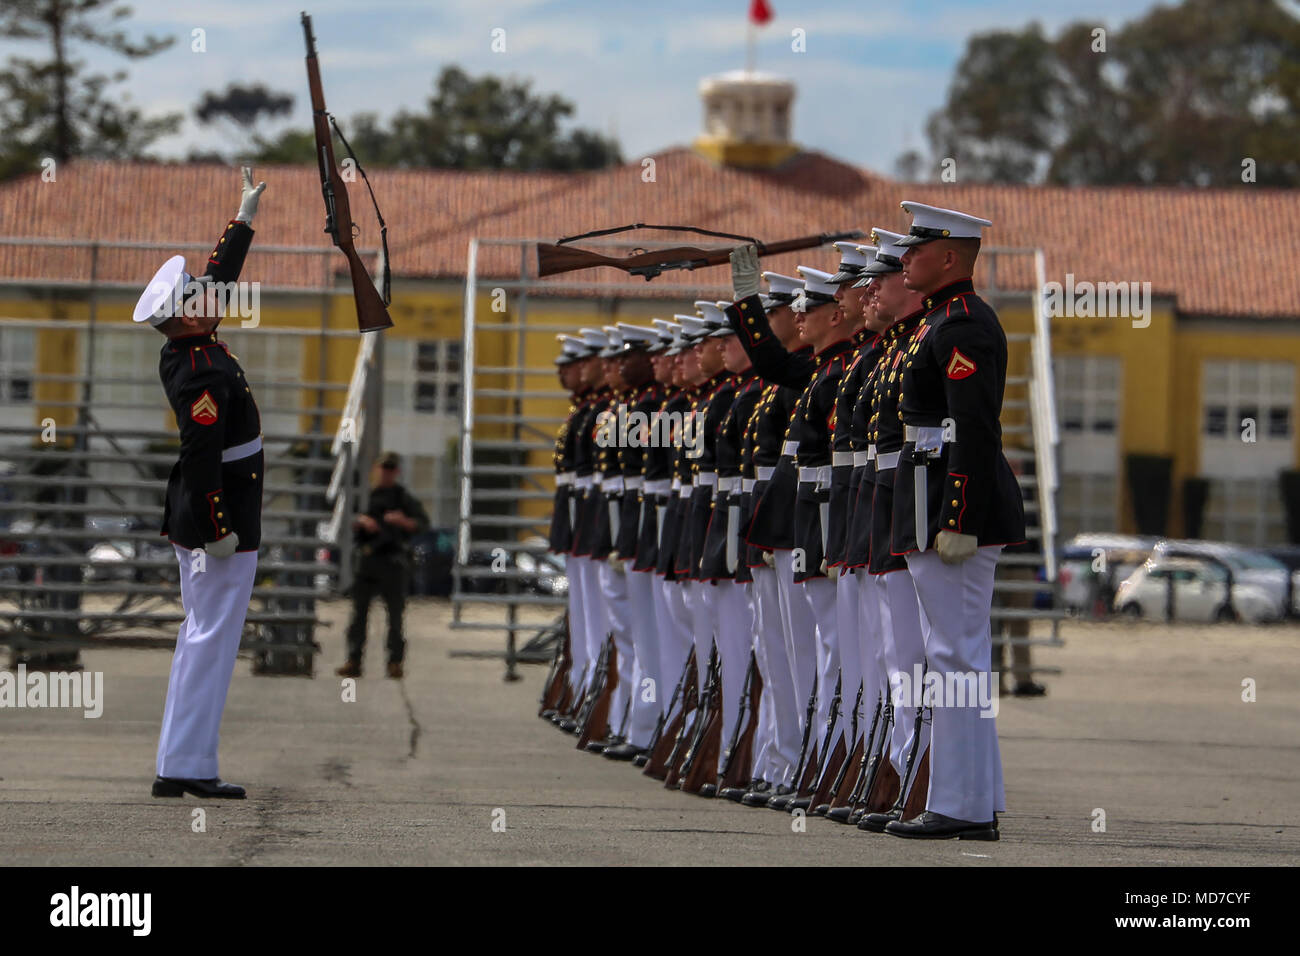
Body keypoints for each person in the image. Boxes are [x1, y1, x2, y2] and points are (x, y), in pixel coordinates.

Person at [884, 201, 1027, 840]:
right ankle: (974, 798)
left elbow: (972, 428)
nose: (904, 258)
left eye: (916, 249)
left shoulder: (963, 325)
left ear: (949, 257)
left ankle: (963, 806)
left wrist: (958, 516)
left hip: (954, 503)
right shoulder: (937, 322)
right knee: (954, 654)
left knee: (956, 657)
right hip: (931, 495)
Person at [134, 166, 266, 800]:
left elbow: (219, 278)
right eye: (196, 297)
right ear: (185, 318)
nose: (209, 296)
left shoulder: (189, 345)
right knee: (210, 642)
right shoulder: (200, 373)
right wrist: (220, 529)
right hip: (218, 517)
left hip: (209, 513)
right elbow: (201, 454)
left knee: (202, 638)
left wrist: (242, 219)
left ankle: (181, 761)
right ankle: (186, 767)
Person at [337, 451, 430, 679]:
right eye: (383, 469)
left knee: (395, 617)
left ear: (396, 472)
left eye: (390, 469)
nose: (386, 473)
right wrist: (360, 521)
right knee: (358, 615)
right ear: (376, 470)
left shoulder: (402, 498)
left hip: (392, 561)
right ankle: (353, 659)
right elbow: (344, 516)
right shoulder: (365, 495)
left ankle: (395, 662)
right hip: (367, 560)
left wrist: (402, 521)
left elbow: (423, 524)